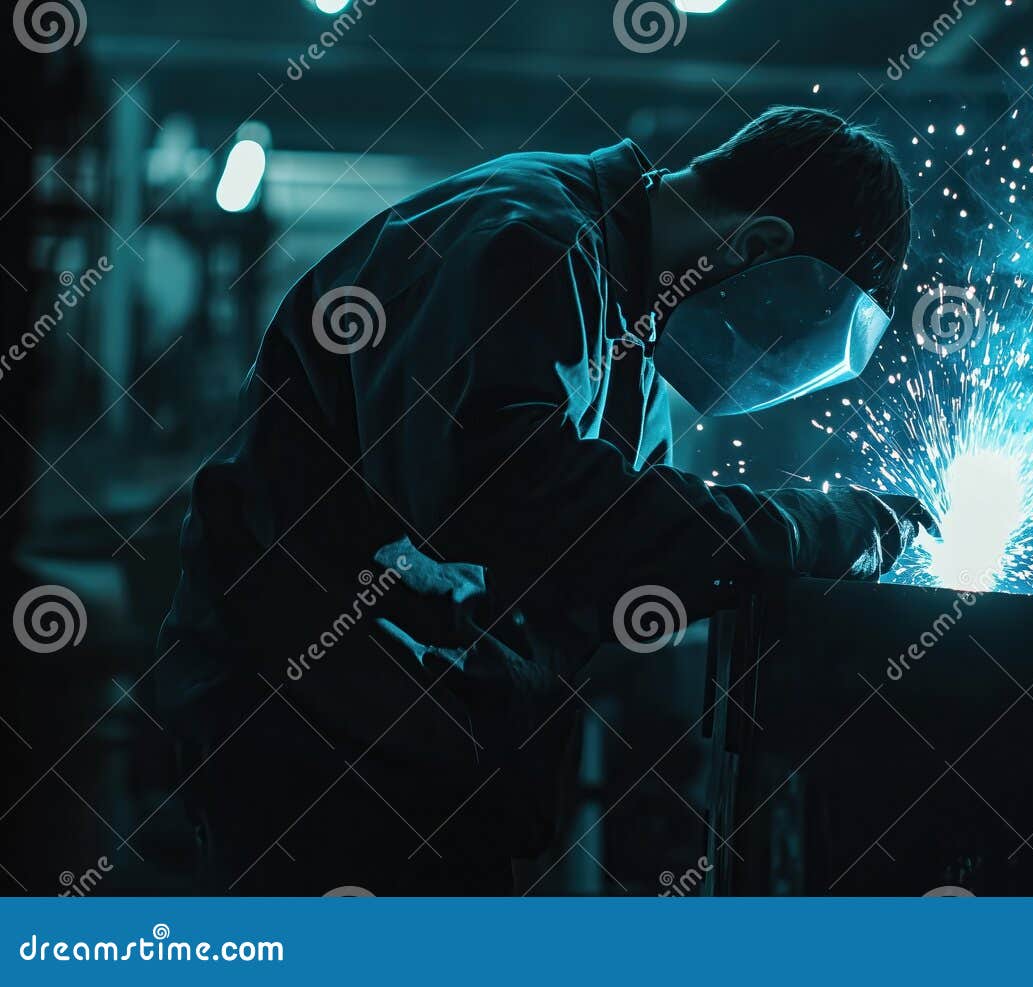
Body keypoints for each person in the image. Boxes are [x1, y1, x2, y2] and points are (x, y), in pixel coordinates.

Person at [155, 106, 930, 894]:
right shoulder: (528, 243)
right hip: (308, 737)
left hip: (408, 741)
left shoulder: (630, 337)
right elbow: (516, 504)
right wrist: (812, 533)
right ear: (759, 247)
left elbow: (621, 546)